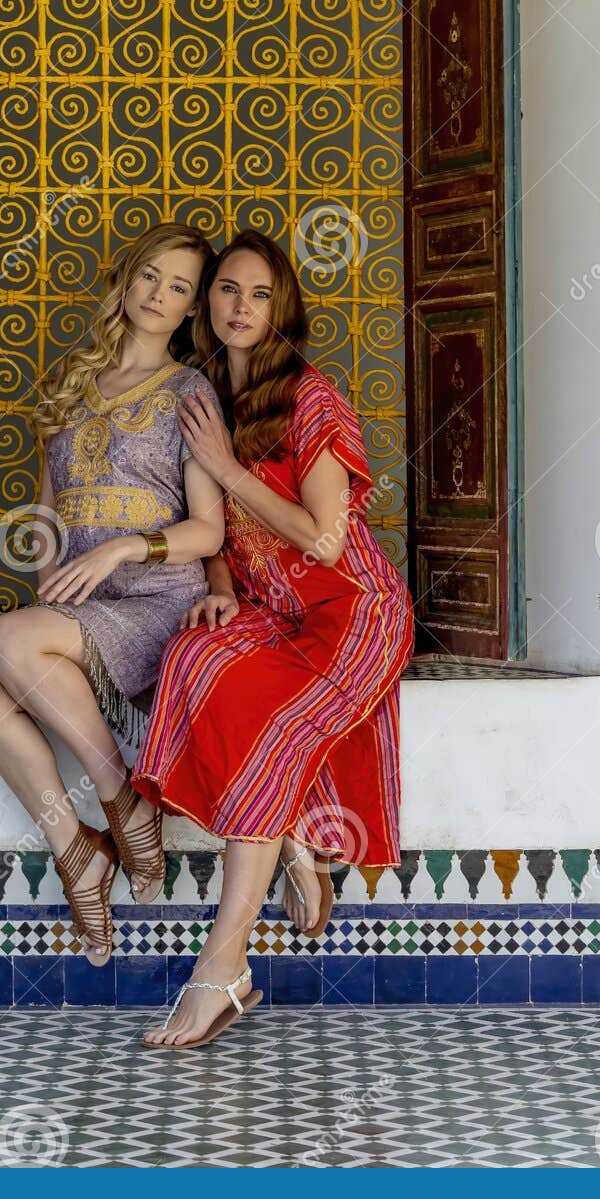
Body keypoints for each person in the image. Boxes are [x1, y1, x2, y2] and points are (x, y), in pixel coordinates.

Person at [133, 228, 415, 1048]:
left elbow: (323, 539)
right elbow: (209, 527)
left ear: (279, 310)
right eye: (227, 289)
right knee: (192, 655)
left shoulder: (309, 397)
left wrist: (227, 468)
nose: (240, 307)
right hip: (268, 610)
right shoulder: (201, 396)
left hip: (353, 611)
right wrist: (220, 589)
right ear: (205, 303)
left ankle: (221, 968)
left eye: (259, 295)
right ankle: (292, 834)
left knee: (267, 730)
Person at [0, 222, 225, 965]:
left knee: (3, 640)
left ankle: (122, 799)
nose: (159, 294)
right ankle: (76, 848)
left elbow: (209, 529)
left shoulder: (191, 392)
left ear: (191, 309)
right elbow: (49, 510)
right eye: (151, 276)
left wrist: (122, 547)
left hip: (158, 603)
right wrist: (47, 575)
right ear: (126, 279)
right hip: (82, 608)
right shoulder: (74, 382)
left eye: (179, 287)